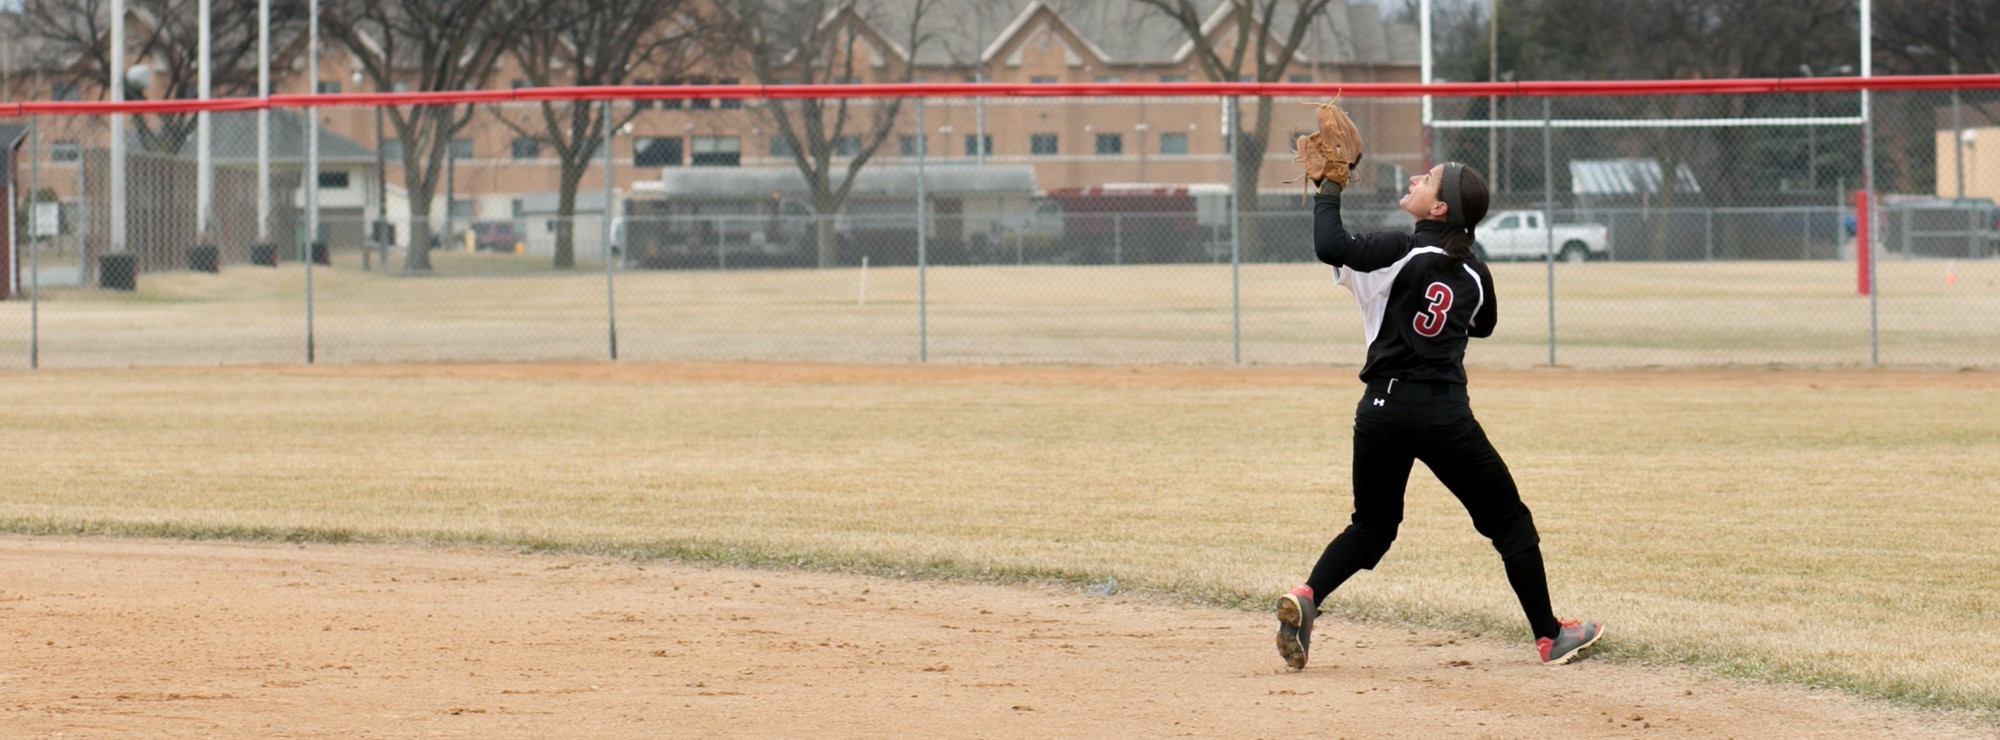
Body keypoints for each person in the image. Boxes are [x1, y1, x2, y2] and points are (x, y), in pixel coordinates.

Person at [1274, 161, 1603, 670]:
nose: (1413, 181)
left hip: (1381, 407)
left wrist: (1330, 188)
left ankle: (1309, 594)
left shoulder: (1395, 252)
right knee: (1509, 523)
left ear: (1440, 207)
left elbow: (1330, 246)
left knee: (1372, 528)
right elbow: (1485, 324)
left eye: (1425, 180)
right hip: (1444, 413)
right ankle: (1549, 636)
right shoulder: (1474, 271)